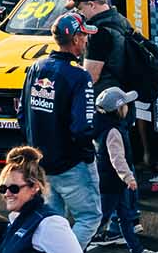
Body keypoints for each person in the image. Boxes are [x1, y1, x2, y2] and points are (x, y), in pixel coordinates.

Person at [22, 13, 100, 226]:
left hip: (41, 162)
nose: (86, 40)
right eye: (84, 35)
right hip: (70, 163)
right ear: (75, 39)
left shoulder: (37, 67)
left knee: (52, 221)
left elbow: (22, 114)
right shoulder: (79, 76)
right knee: (90, 218)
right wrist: (88, 156)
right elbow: (82, 127)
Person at [87, 88, 158, 253]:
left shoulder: (100, 126)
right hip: (113, 184)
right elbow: (117, 158)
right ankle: (78, 249)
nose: (128, 107)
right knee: (102, 218)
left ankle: (138, 251)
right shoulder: (113, 131)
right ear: (118, 109)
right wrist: (128, 177)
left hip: (110, 182)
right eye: (125, 104)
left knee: (125, 218)